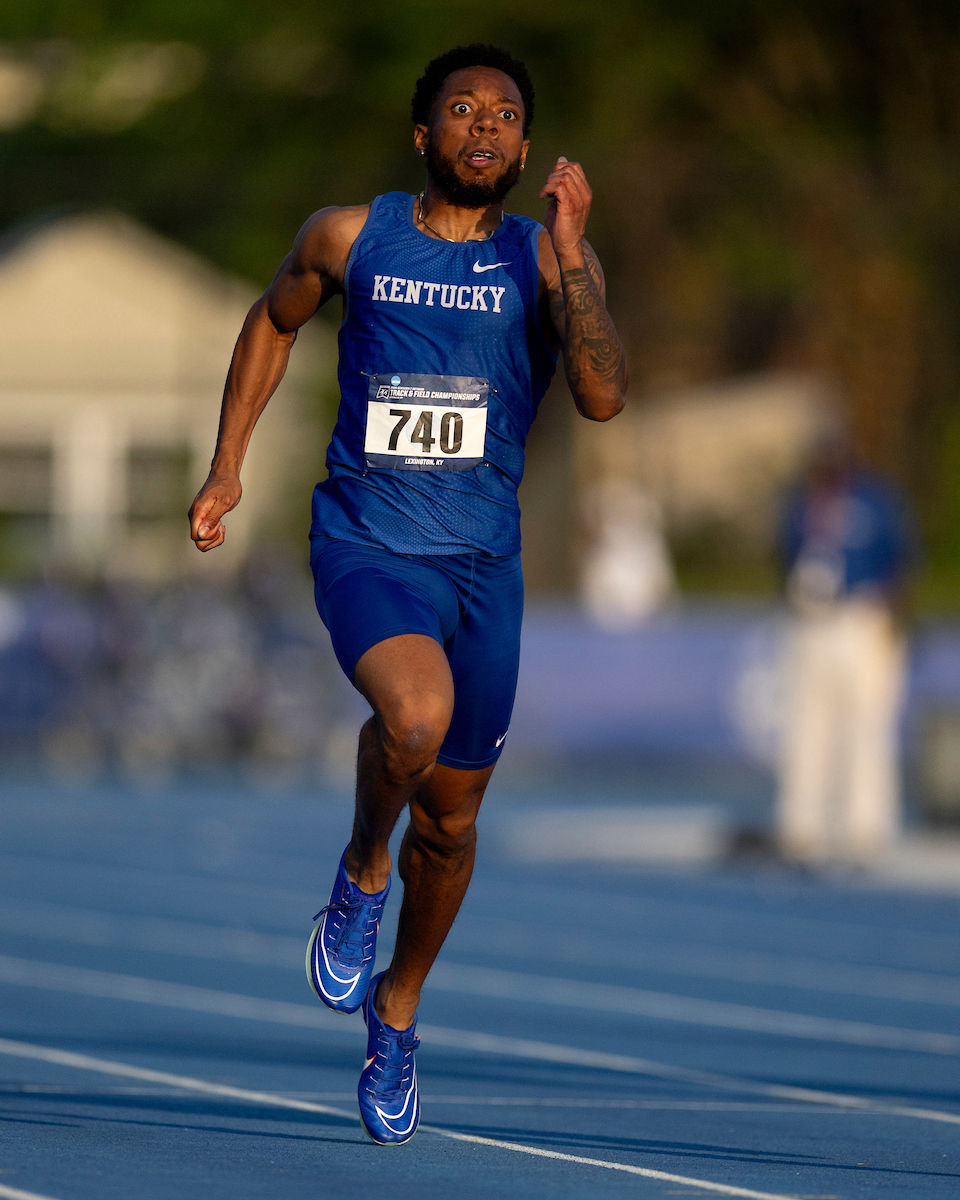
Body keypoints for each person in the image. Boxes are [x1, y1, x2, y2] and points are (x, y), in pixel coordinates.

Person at [188, 44, 627, 1144]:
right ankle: (358, 872)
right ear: (422, 134)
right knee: (413, 719)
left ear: (526, 150)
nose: (485, 126)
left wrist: (572, 255)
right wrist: (227, 462)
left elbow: (603, 395)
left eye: (506, 115)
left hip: (484, 567)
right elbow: (273, 321)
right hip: (369, 545)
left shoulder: (545, 259)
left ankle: (398, 1004)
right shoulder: (350, 237)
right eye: (463, 109)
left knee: (458, 819)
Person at [776, 432, 915, 868]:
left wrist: (894, 619)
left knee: (868, 726)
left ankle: (865, 827)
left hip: (862, 617)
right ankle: (802, 825)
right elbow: (783, 554)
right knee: (807, 726)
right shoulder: (801, 502)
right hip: (811, 622)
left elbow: (901, 559)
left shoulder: (875, 500)